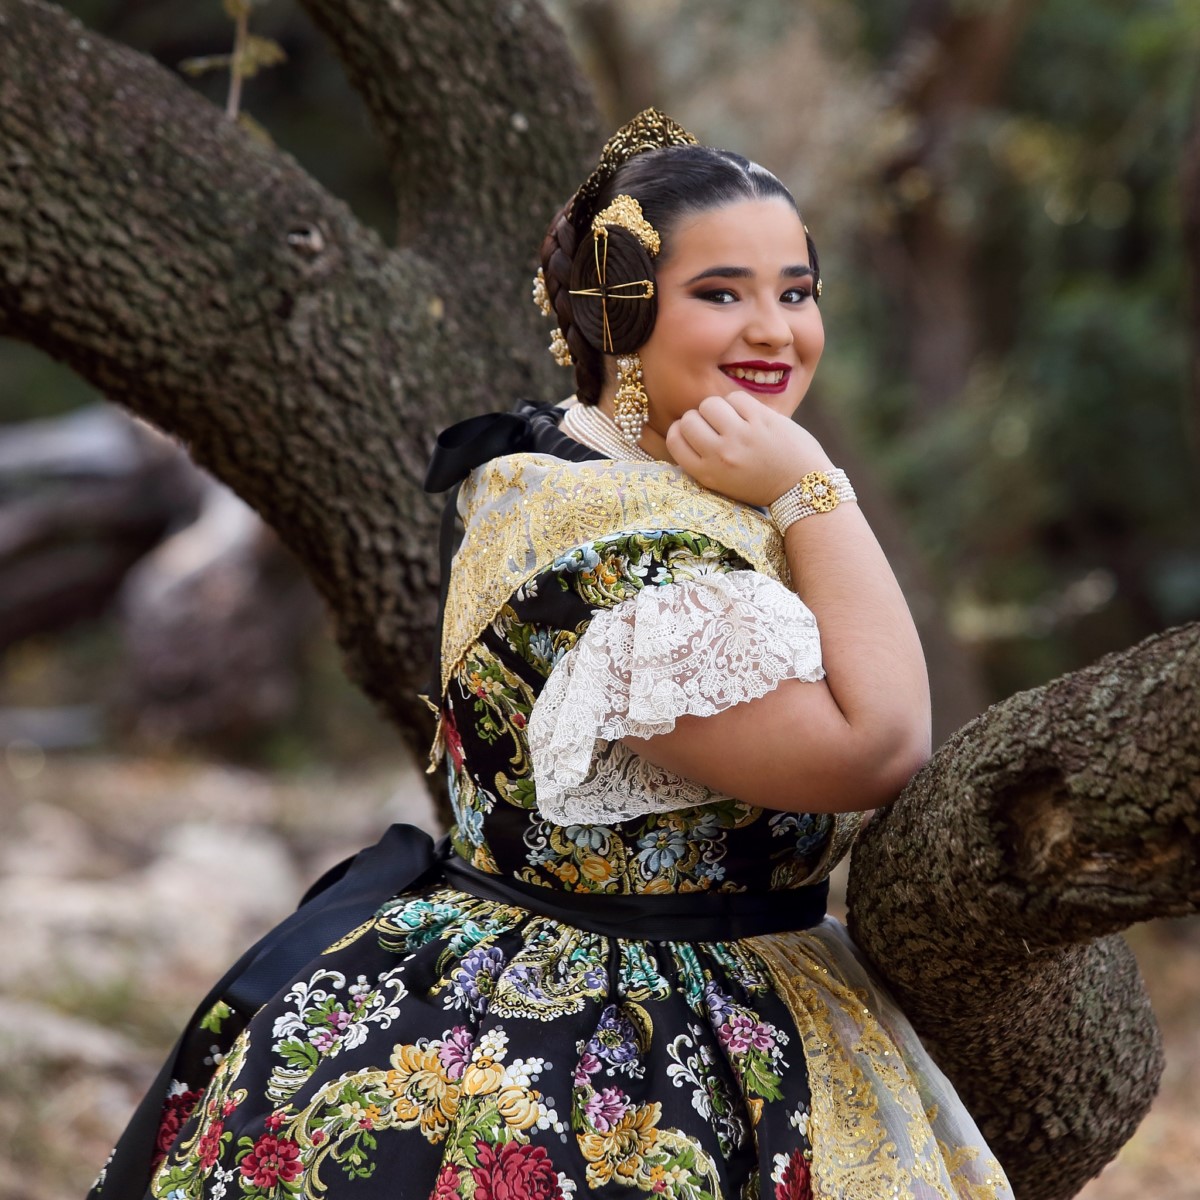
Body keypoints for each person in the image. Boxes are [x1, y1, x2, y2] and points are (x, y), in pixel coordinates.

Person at [94, 110, 1014, 1200]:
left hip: (633, 968)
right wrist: (818, 489)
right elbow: (880, 746)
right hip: (617, 1040)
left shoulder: (570, 468)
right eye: (720, 293)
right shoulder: (635, 556)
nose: (774, 329)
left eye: (796, 291)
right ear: (618, 316)